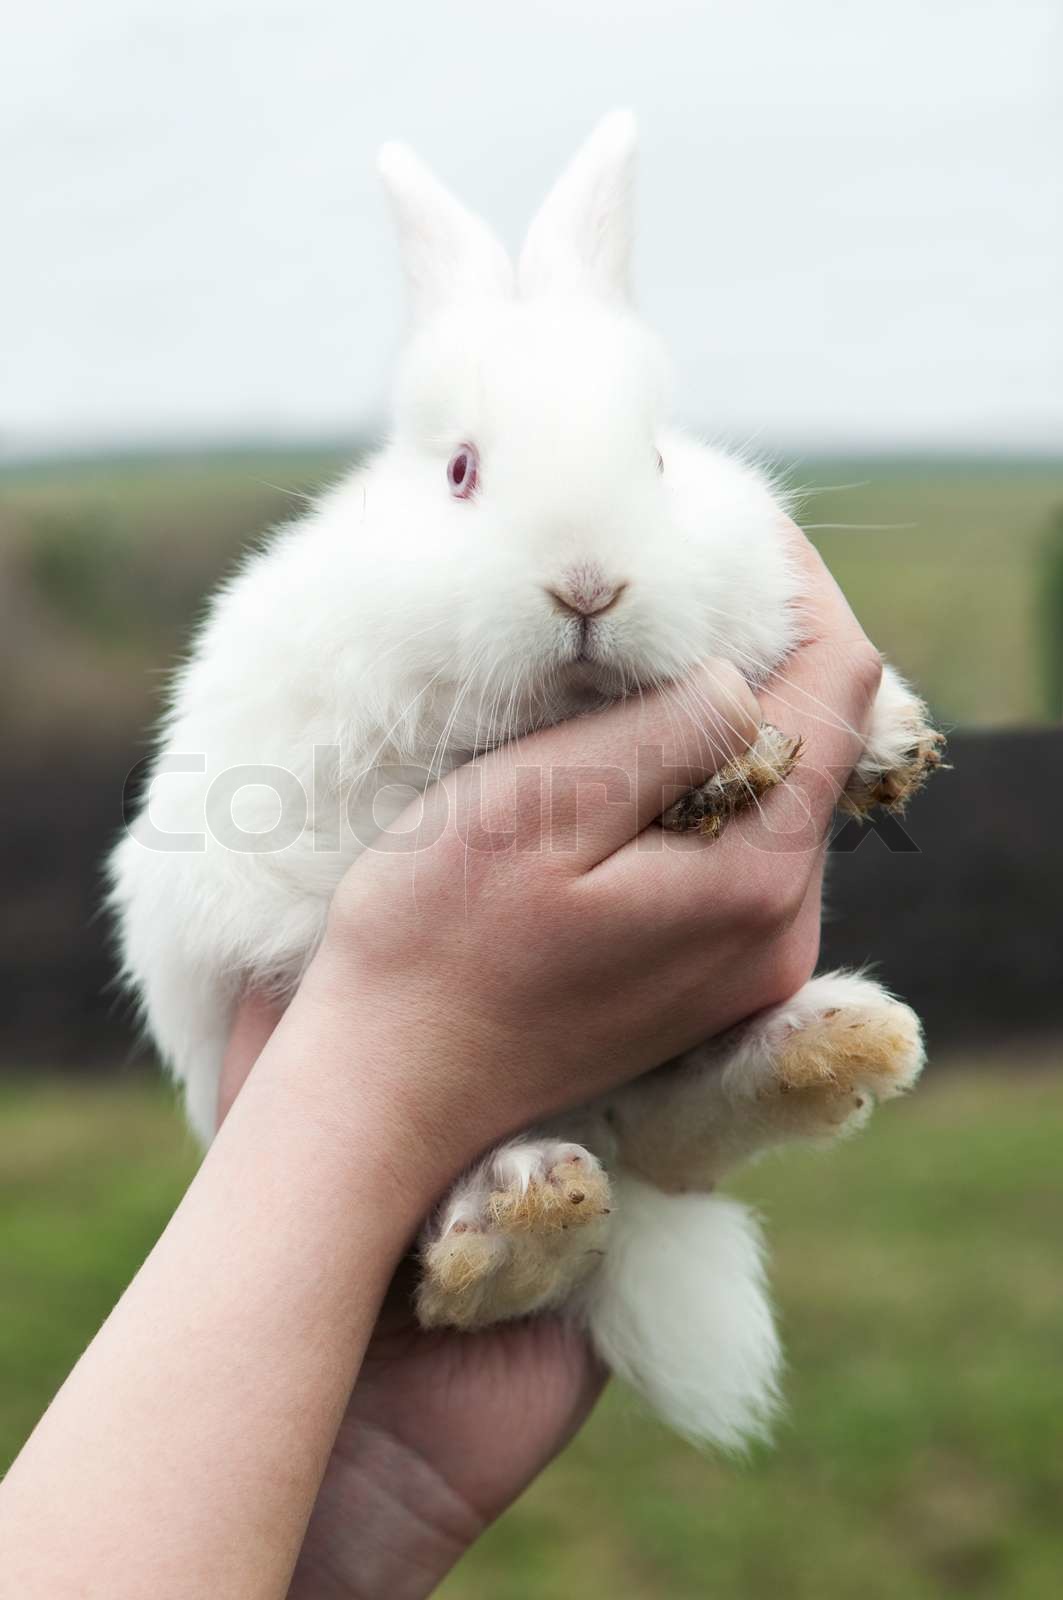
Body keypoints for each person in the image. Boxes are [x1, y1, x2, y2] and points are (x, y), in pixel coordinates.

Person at [0, 527, 882, 1599]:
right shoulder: (357, 601)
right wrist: (375, 1060)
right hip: (297, 984)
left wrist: (368, 1483)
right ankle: (629, 1130)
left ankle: (687, 1103)